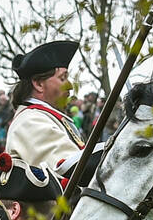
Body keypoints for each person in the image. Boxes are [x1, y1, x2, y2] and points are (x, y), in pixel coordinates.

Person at [6, 40, 90, 178]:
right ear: (39, 83)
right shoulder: (30, 121)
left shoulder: (43, 117)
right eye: (63, 78)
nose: (70, 86)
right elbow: (70, 169)